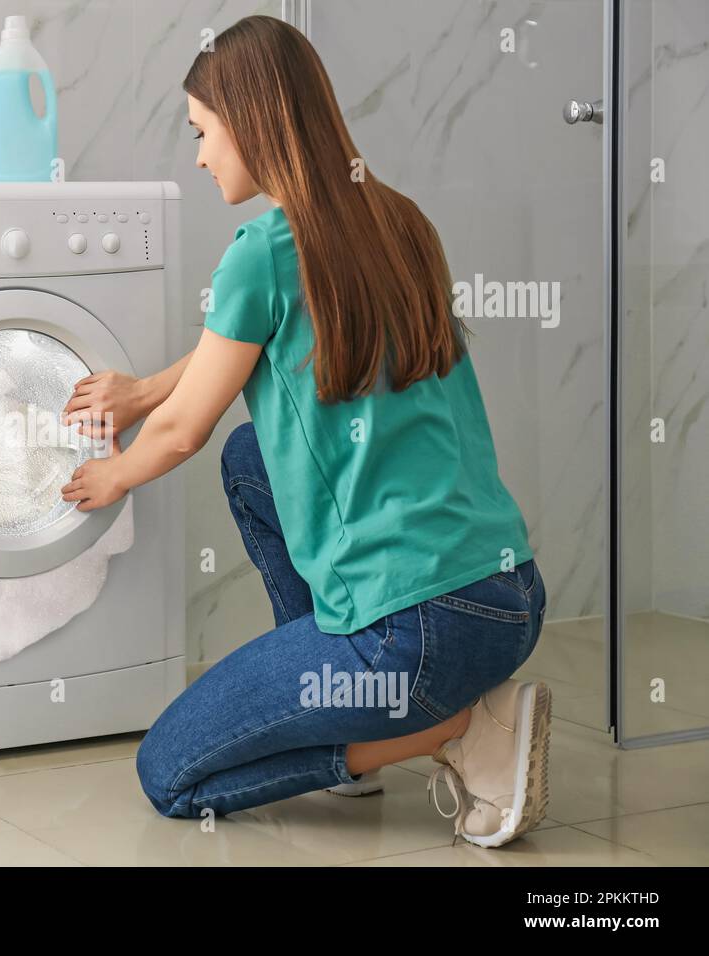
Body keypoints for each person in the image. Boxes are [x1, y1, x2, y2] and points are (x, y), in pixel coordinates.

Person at [59, 14, 549, 849]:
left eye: (205, 133)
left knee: (170, 773)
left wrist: (110, 478)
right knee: (253, 458)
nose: (203, 155)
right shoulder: (396, 221)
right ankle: (365, 707)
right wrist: (141, 390)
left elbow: (183, 431)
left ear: (251, 120)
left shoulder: (261, 249)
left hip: (415, 634)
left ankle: (458, 733)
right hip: (508, 598)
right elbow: (246, 348)